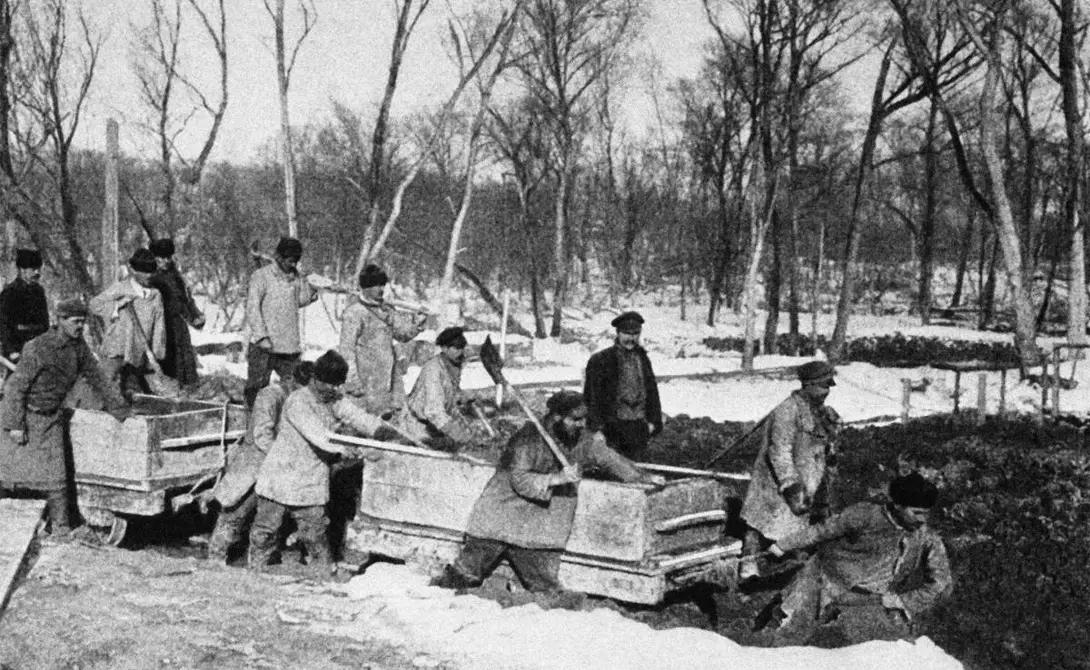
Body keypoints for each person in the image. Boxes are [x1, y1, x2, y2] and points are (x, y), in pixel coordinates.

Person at [432, 391, 664, 594]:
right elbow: (520, 480)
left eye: (584, 419)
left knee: (543, 584)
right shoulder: (529, 438)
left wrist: (641, 477)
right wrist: (558, 478)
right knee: (466, 573)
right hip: (501, 514)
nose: (582, 424)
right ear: (556, 418)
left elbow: (610, 460)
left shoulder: (583, 440)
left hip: (538, 527)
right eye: (575, 419)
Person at [762, 472, 953, 646]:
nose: (922, 520)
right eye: (916, 513)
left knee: (895, 652)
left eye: (926, 514)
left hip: (869, 599)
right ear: (897, 505)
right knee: (787, 641)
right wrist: (782, 545)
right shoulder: (864, 515)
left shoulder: (926, 538)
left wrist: (901, 601)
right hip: (823, 583)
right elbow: (821, 531)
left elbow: (941, 581)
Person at [247, 350, 384, 578]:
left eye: (337, 385)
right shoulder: (298, 401)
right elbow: (319, 436)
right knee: (266, 531)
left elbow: (355, 416)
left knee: (315, 532)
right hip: (281, 474)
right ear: (316, 379)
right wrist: (350, 450)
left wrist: (379, 430)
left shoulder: (332, 399)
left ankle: (322, 574)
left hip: (309, 479)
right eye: (329, 384)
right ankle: (256, 572)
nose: (334, 389)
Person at [0, 299, 129, 536]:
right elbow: (15, 388)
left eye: (83, 322)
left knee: (57, 479)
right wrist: (14, 425)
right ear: (59, 321)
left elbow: (99, 379)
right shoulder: (38, 347)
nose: (80, 327)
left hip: (52, 420)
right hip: (25, 416)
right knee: (7, 476)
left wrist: (122, 412)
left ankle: (61, 529)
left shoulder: (79, 348)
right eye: (75, 322)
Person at [738, 360, 841, 581]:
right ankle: (748, 562)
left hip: (810, 476)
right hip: (777, 480)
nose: (827, 392)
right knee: (760, 521)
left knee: (805, 521)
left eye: (829, 387)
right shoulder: (787, 411)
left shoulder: (821, 412)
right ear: (809, 385)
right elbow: (780, 451)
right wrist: (790, 483)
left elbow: (823, 443)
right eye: (823, 386)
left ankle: (799, 558)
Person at [207, 360, 314, 564]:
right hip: (254, 465)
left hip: (277, 470)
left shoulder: (303, 400)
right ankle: (216, 560)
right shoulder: (270, 395)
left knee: (270, 521)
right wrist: (285, 456)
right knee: (235, 513)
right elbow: (261, 434)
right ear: (293, 381)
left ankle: (259, 564)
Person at [338, 263, 426, 417]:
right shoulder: (354, 313)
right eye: (375, 285)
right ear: (365, 287)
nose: (380, 289)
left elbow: (402, 335)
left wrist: (417, 323)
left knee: (395, 416)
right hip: (367, 378)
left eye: (382, 285)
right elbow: (346, 350)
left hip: (390, 376)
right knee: (368, 419)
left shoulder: (386, 310)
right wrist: (352, 381)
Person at [244, 236, 318, 407]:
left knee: (297, 388)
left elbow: (300, 300)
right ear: (279, 257)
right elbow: (252, 308)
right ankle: (252, 423)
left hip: (289, 344)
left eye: (295, 262)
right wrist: (261, 337)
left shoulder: (295, 277)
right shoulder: (261, 276)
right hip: (265, 346)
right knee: (256, 388)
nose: (292, 265)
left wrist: (313, 287)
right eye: (290, 261)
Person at [583, 311, 663, 459]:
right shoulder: (601, 360)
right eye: (626, 333)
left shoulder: (643, 358)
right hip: (612, 427)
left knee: (637, 467)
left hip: (639, 425)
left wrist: (654, 421)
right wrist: (596, 428)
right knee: (614, 468)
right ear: (618, 333)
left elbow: (652, 391)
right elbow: (591, 396)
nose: (631, 338)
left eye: (635, 334)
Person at [89, 248, 167, 400]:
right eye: (144, 271)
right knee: (105, 383)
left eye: (151, 271)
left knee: (132, 388)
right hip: (116, 345)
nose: (149, 276)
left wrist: (156, 354)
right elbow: (94, 305)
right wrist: (117, 305)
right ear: (134, 271)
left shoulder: (155, 295)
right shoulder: (121, 288)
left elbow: (159, 326)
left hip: (138, 350)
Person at [398, 326, 478, 451]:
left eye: (462, 348)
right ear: (445, 348)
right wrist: (460, 435)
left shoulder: (452, 366)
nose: (460, 352)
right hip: (417, 427)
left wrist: (461, 397)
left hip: (435, 425)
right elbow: (434, 410)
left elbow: (447, 393)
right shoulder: (433, 370)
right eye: (456, 348)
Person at [148, 238, 205, 388]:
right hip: (161, 326)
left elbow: (185, 299)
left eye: (168, 257)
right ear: (154, 258)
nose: (165, 261)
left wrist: (195, 316)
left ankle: (187, 389)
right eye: (161, 257)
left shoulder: (176, 276)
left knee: (184, 361)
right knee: (166, 361)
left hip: (177, 324)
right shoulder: (151, 278)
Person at [0, 248, 49, 366]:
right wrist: (11, 351)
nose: (37, 273)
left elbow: (45, 323)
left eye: (39, 269)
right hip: (18, 348)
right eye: (33, 269)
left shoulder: (39, 291)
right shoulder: (9, 292)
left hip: (38, 347)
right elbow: (3, 325)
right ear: (22, 270)